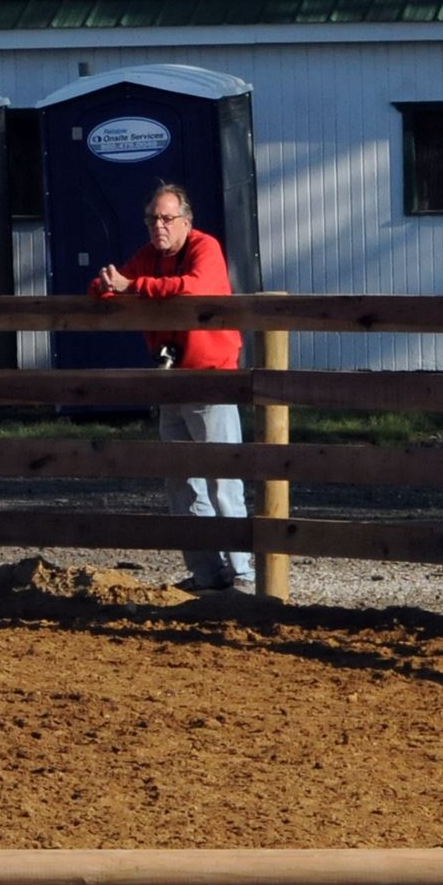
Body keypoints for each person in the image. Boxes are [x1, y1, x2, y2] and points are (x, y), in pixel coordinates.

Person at [91, 182, 254, 593]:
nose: (158, 226)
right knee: (181, 483)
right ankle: (208, 574)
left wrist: (136, 289)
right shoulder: (150, 257)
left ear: (186, 220)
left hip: (210, 378)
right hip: (172, 381)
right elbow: (107, 286)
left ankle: (246, 576)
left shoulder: (205, 247)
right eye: (151, 219)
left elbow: (194, 287)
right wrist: (112, 284)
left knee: (223, 479)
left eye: (166, 218)